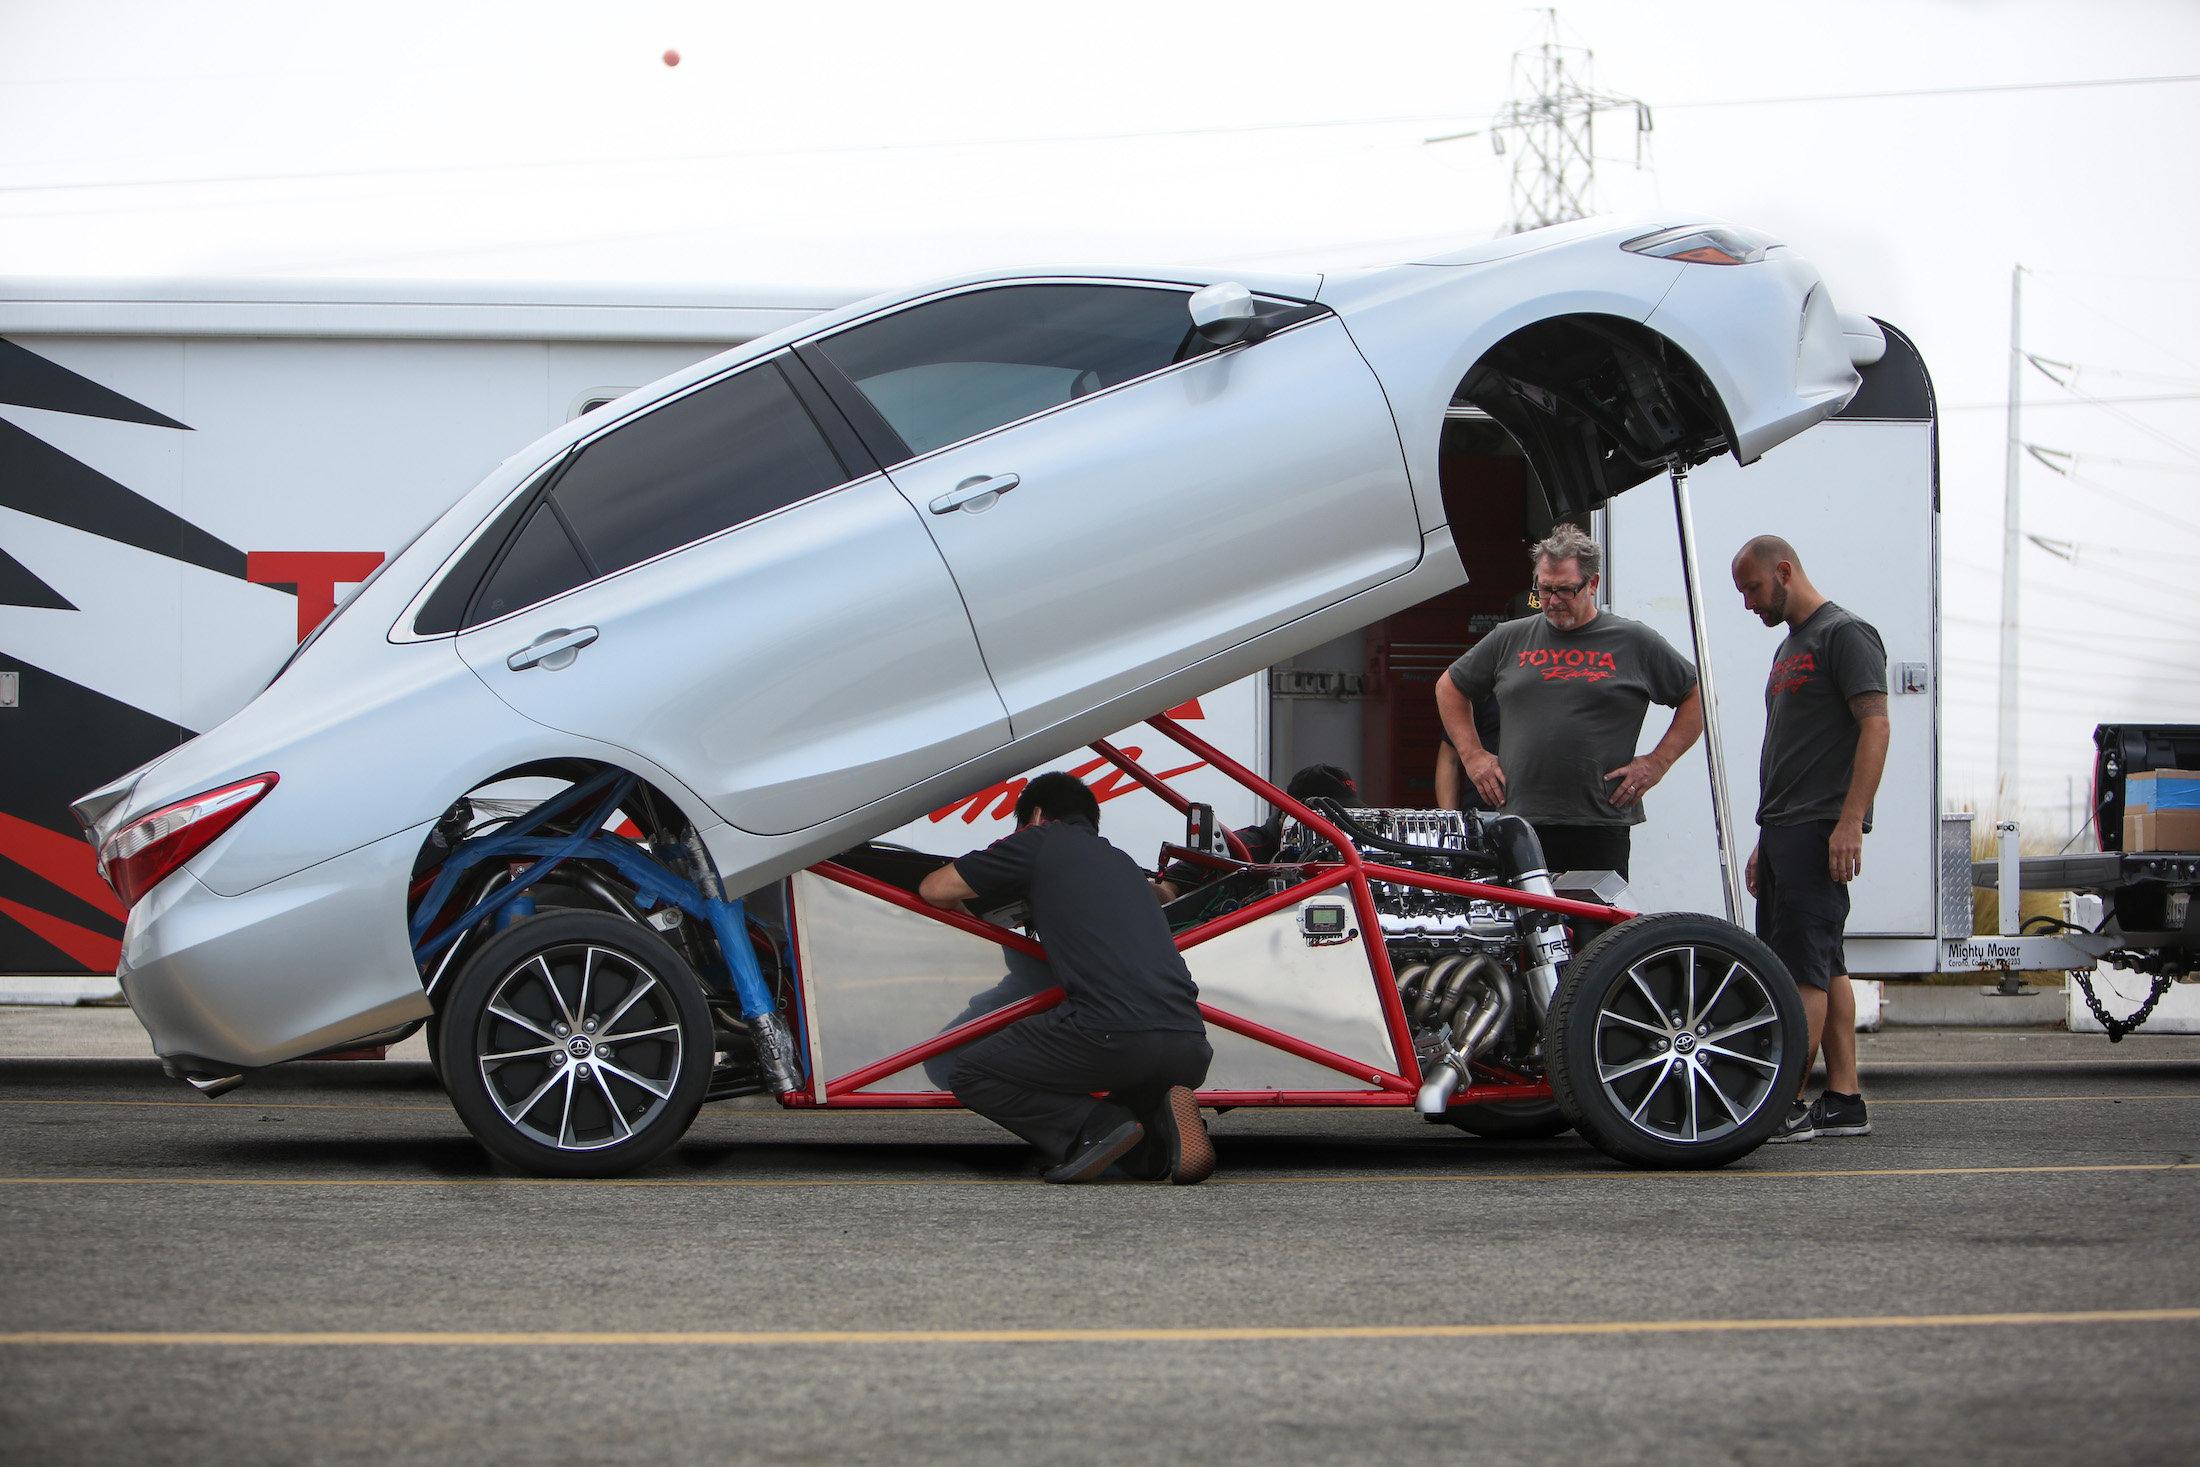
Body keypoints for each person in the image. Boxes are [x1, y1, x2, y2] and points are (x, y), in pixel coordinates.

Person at [919, 771, 1216, 1184]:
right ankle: (1159, 1136)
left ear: (1037, 815)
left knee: (968, 1071)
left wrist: (974, 924)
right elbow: (1163, 894)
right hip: (1188, 1045)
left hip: (1113, 1034)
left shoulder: (1041, 840)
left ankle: (1092, 1129)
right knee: (1127, 1113)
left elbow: (934, 888)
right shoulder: (1121, 861)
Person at [1731, 534, 1889, 1144]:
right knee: (1827, 965)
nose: (1748, 602)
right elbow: (1787, 748)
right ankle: (1844, 1099)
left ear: (1785, 571)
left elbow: (1875, 727)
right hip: (1784, 827)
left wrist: (1850, 821)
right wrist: (1764, 837)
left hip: (1819, 825)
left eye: (1752, 588)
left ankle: (1784, 1103)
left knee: (1800, 972)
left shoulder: (1844, 634)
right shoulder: (1790, 646)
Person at [1434, 525, 1704, 879]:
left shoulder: (1633, 640)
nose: (1554, 601)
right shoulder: (1510, 637)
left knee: (1599, 932)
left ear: (1592, 585)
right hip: (1522, 823)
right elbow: (1449, 686)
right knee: (1528, 929)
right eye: (1545, 590)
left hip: (1599, 822)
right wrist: (1473, 756)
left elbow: (1697, 696)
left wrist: (1656, 763)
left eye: (1565, 590)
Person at [1154, 763, 1361, 900]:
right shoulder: (1243, 847)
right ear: (1290, 814)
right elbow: (1166, 886)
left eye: (1347, 816)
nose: (1340, 824)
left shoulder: (1359, 856)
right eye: (1330, 815)